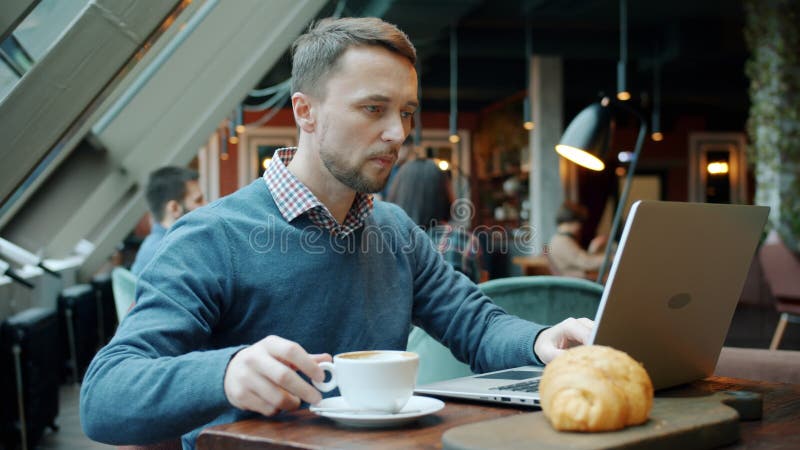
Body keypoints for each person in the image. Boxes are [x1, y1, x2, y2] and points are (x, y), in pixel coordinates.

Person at [80, 17, 592, 449]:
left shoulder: (392, 228)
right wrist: (226, 371)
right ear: (305, 111)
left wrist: (545, 339)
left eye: (406, 112)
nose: (398, 133)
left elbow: (476, 325)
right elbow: (104, 396)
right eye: (374, 109)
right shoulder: (210, 236)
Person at [387, 158, 482, 282]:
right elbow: (475, 293)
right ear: (443, 193)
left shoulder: (382, 240)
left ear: (398, 193)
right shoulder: (463, 241)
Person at [130, 166, 205, 275]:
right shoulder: (174, 255)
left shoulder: (151, 245)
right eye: (198, 200)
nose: (207, 204)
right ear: (174, 208)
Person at [548, 201, 608, 279]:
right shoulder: (561, 242)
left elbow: (581, 261)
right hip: (578, 283)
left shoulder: (558, 240)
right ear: (571, 221)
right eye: (579, 222)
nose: (579, 227)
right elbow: (586, 262)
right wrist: (610, 258)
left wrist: (593, 248)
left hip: (579, 279)